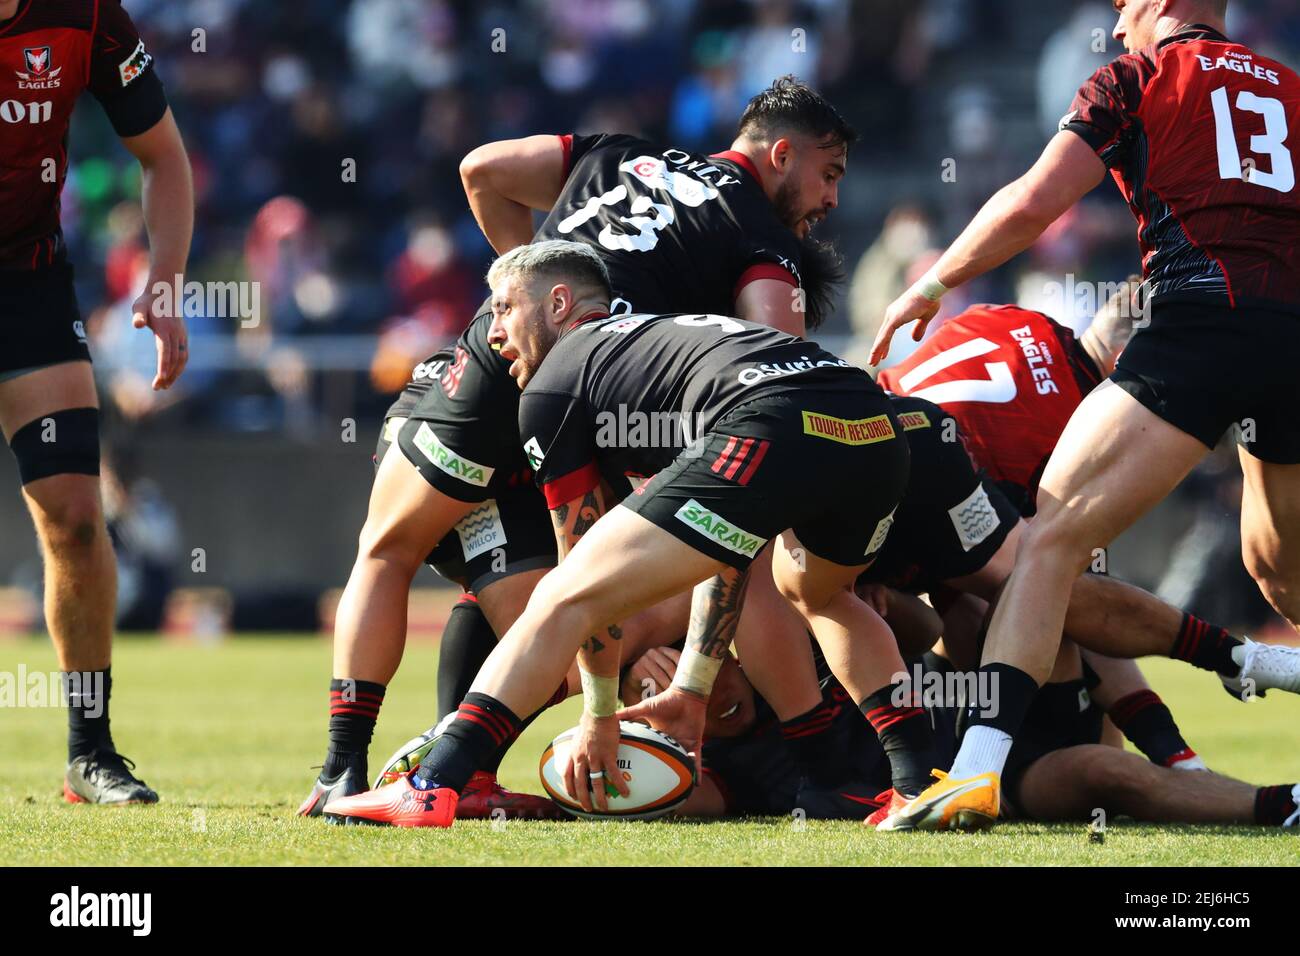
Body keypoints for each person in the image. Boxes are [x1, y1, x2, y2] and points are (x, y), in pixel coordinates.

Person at [300, 76, 859, 816]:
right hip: (593, 398)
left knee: (393, 549)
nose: (832, 201)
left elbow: (481, 170)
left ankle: (356, 768)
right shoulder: (759, 233)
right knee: (634, 581)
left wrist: (536, 296)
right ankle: (827, 770)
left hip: (500, 364)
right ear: (782, 154)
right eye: (830, 174)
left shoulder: (620, 154)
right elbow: (772, 377)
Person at [320, 240, 932, 827]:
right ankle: (915, 786)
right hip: (870, 422)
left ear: (558, 304)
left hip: (769, 420)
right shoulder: (655, 346)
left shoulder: (556, 382)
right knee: (824, 596)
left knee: (562, 598)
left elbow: (579, 573)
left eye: (504, 308)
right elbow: (731, 549)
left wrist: (599, 715)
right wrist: (692, 686)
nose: (493, 331)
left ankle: (432, 786)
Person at [869, 0, 1300, 830]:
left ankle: (977, 772)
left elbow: (1034, 203)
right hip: (1292, 328)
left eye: (1128, 4)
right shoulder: (1287, 83)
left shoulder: (1134, 76)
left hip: (1201, 316)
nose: (1119, 15)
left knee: (1052, 538)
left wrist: (928, 285)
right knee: (1283, 572)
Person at [0, 0, 192, 804]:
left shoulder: (84, 15)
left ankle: (90, 752)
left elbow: (165, 160)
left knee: (78, 515)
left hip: (29, 284)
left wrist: (167, 281)